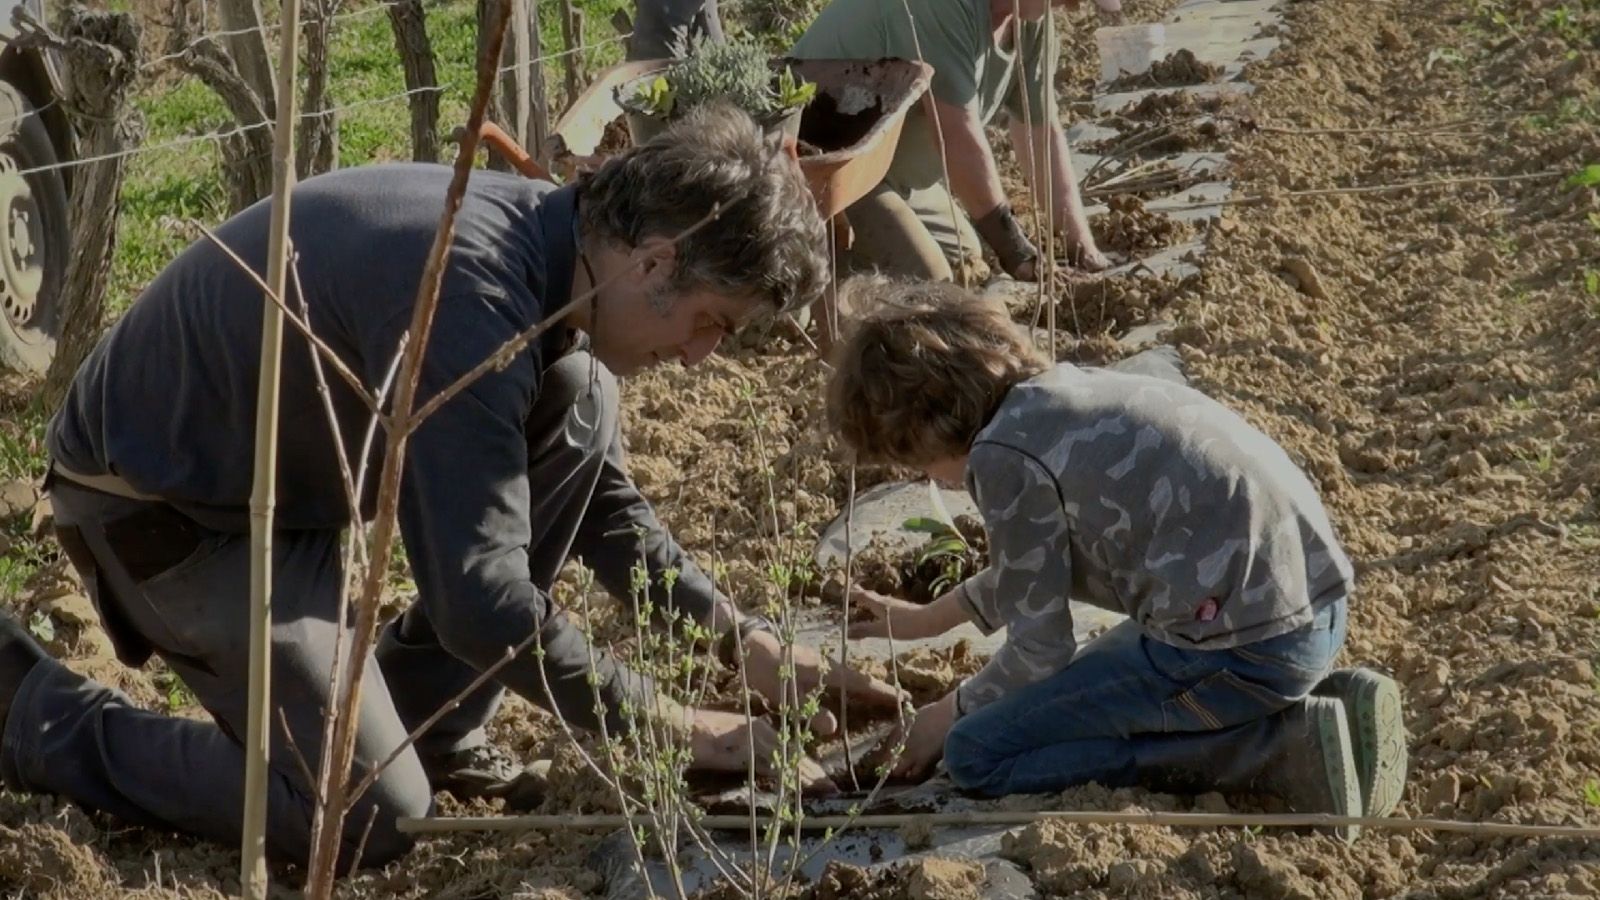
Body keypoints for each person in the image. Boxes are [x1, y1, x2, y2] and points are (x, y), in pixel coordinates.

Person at [0, 105, 902, 871]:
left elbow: (600, 502)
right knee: (361, 814)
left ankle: (430, 726)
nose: (701, 356)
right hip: (166, 507)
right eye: (712, 324)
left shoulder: (552, 253)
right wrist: (674, 727)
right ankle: (32, 711)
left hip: (290, 486)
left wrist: (738, 638)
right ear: (656, 262)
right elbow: (480, 600)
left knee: (584, 400)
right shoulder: (469, 304)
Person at [829, 280, 1407, 842]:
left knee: (979, 751)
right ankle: (1323, 700)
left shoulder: (1003, 459)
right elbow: (1036, 571)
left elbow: (1040, 649)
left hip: (1244, 655)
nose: (925, 478)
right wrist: (927, 619)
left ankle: (1279, 747)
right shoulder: (1059, 401)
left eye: (912, 463)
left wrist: (947, 713)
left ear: (920, 428)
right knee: (1077, 691)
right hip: (1314, 619)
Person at [791, 0, 1112, 287]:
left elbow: (1041, 134)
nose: (1074, 7)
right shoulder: (942, 7)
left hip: (898, 173)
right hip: (835, 169)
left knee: (966, 260)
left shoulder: (1032, 22)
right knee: (928, 282)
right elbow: (958, 136)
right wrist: (1016, 251)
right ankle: (807, 270)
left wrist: (1082, 247)